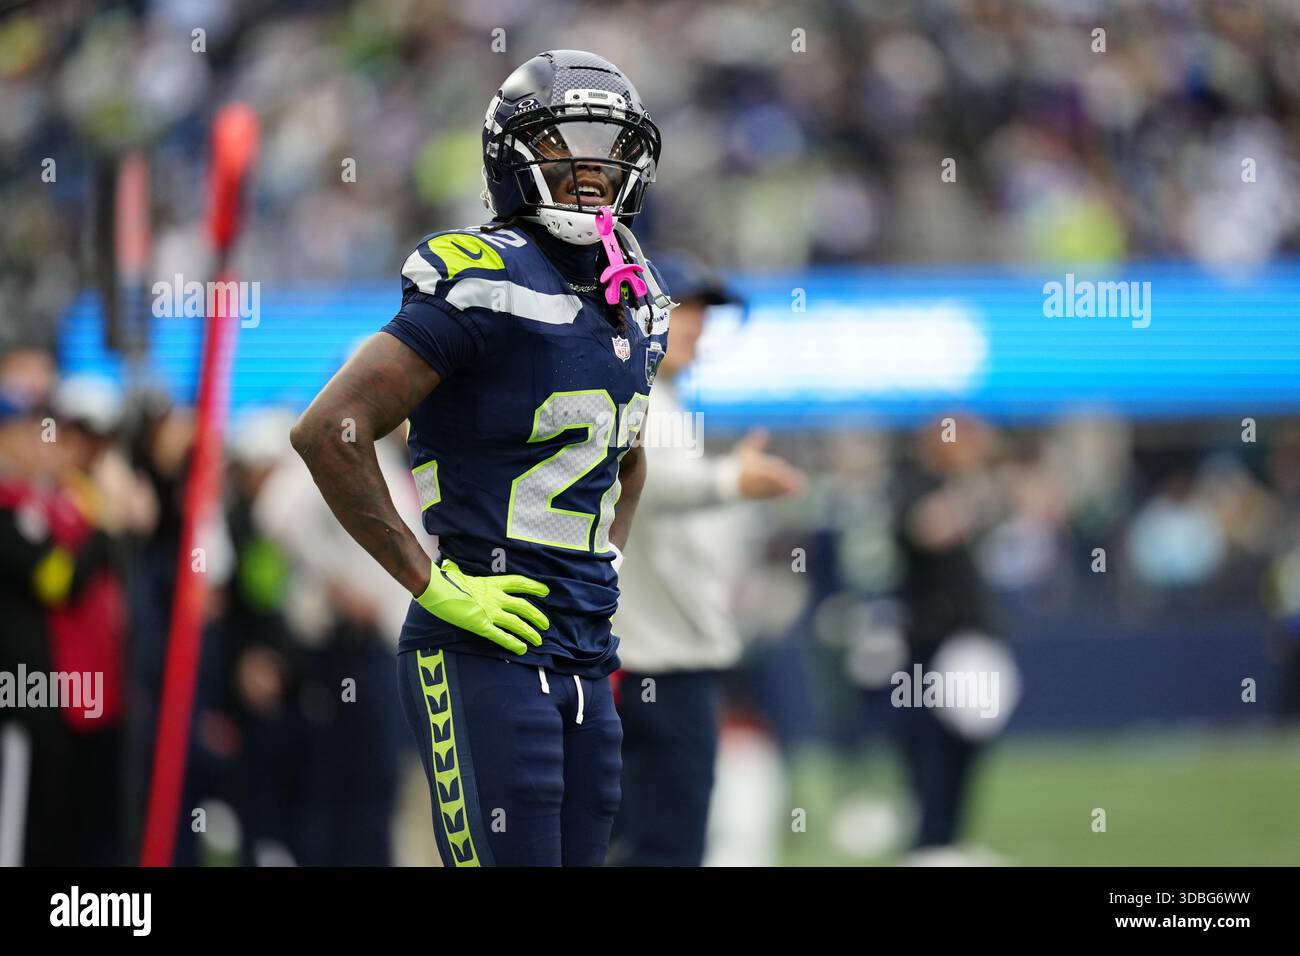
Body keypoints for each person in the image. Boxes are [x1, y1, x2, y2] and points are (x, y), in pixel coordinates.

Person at [291, 50, 671, 867]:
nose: (595, 166)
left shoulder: (633, 295)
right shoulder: (481, 274)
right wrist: (430, 583)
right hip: (483, 650)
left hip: (584, 645)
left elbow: (626, 459)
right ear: (513, 154)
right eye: (567, 141)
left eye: (610, 145)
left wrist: (604, 563)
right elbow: (330, 430)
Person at [608, 253, 805, 866]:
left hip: (658, 662)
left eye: (700, 313)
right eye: (683, 310)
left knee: (639, 842)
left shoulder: (661, 399)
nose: (695, 326)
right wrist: (732, 481)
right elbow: (647, 482)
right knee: (667, 845)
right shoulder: (634, 397)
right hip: (655, 668)